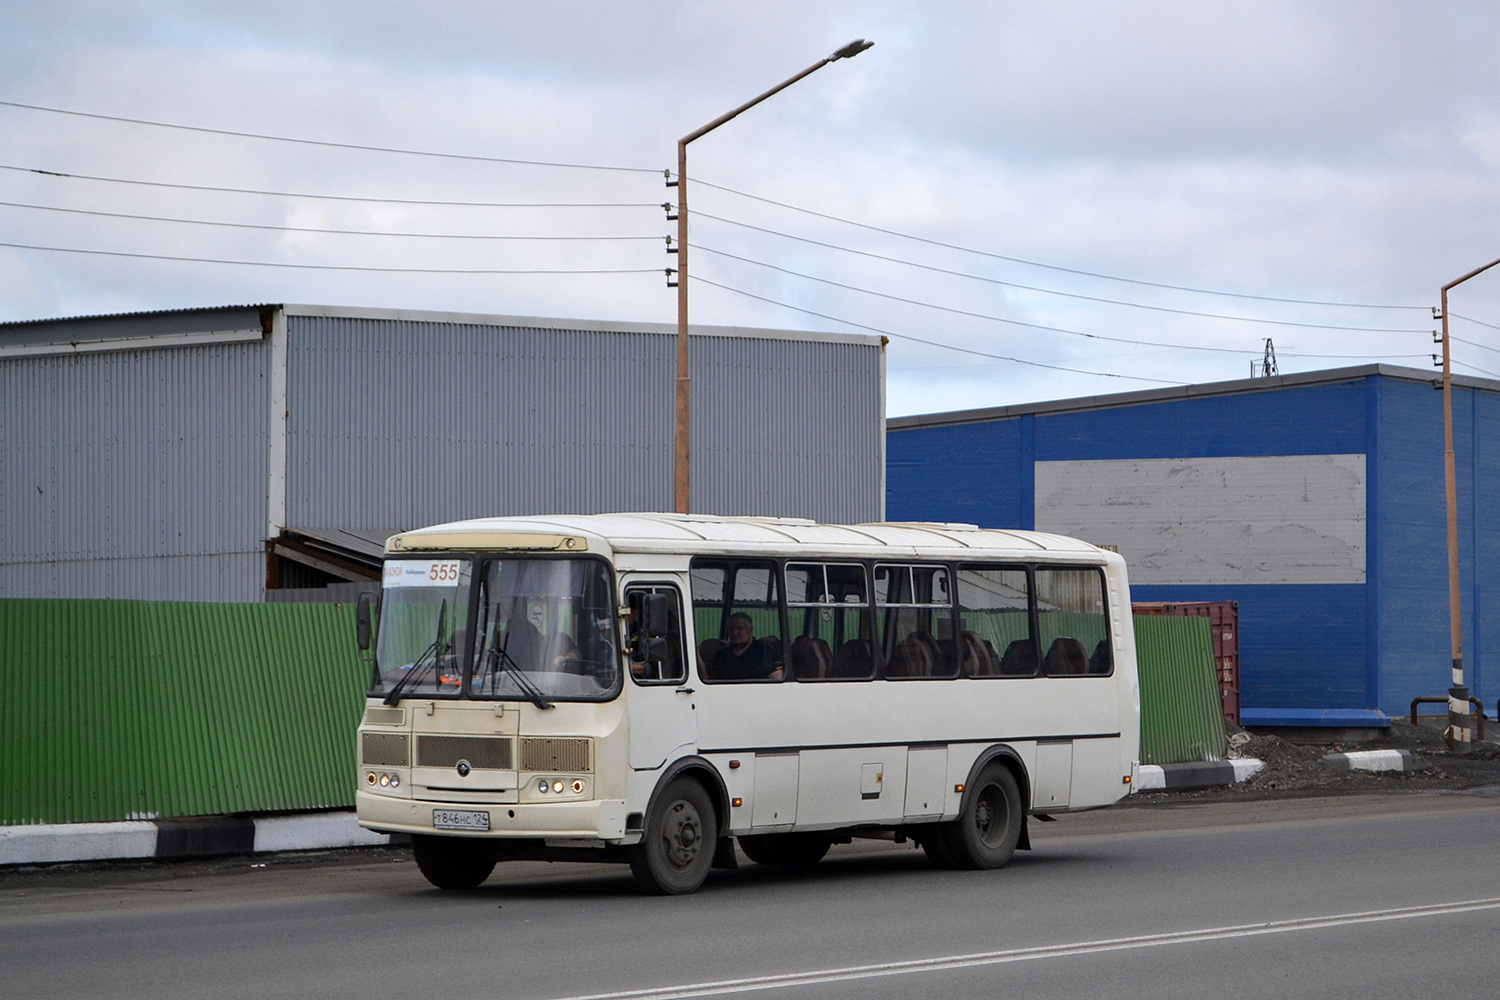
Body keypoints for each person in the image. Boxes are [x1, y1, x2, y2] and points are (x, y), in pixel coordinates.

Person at [712, 613, 782, 680]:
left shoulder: (765, 653)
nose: (735, 632)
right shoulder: (721, 655)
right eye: (731, 629)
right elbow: (709, 681)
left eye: (739, 628)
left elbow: (777, 679)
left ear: (750, 629)